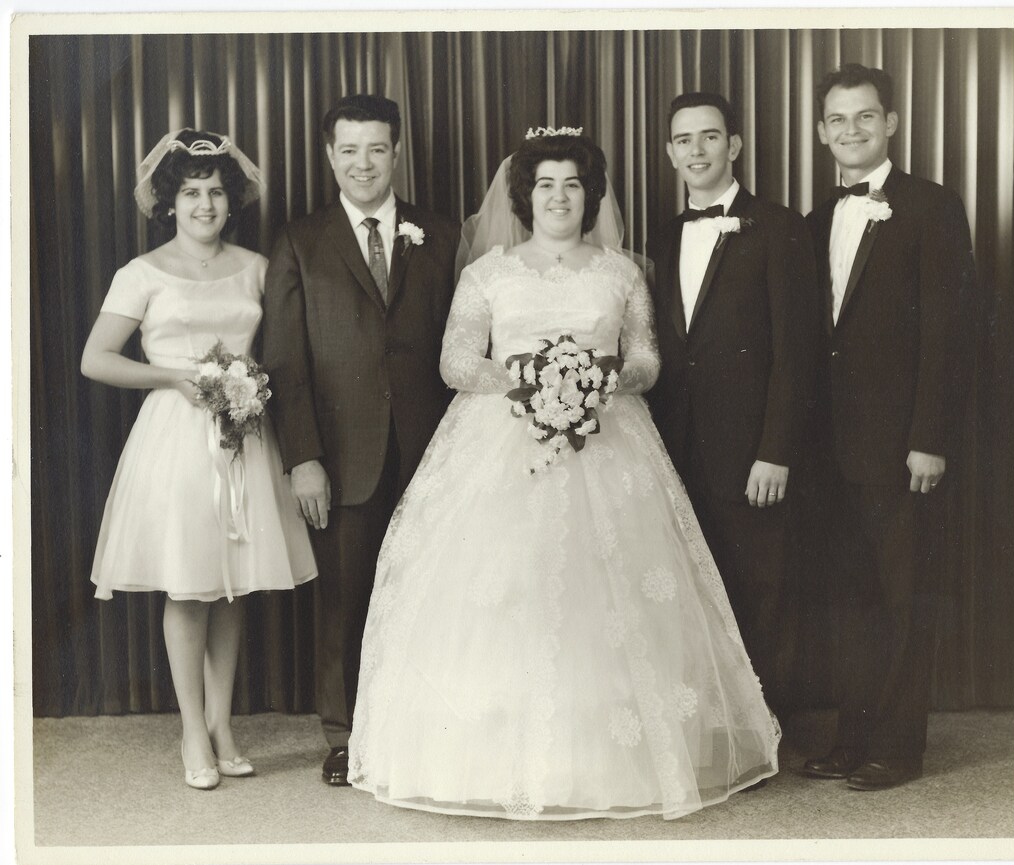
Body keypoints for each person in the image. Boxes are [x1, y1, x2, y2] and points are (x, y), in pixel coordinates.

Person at [345, 130, 779, 820]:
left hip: (609, 441)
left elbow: (647, 360)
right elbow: (456, 361)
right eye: (545, 184)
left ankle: (602, 764)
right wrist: (531, 384)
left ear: (590, 195)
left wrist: (596, 383)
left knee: (604, 598)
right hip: (498, 444)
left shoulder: (621, 273)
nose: (558, 197)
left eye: (572, 184)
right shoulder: (488, 273)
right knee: (507, 592)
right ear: (525, 196)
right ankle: (493, 763)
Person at [82, 129, 317, 791]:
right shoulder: (142, 272)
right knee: (189, 585)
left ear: (230, 200)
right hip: (177, 438)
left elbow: (282, 351)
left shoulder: (256, 267)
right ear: (169, 202)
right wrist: (175, 378)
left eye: (215, 192)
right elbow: (96, 359)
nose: (205, 205)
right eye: (191, 193)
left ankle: (222, 722)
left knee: (232, 582)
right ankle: (192, 727)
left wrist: (248, 386)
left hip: (244, 433)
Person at [260, 94, 460, 787]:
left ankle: (427, 726)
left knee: (432, 591)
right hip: (341, 456)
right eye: (349, 150)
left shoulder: (441, 235)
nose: (363, 163)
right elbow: (284, 361)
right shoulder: (299, 240)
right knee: (345, 598)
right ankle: (345, 735)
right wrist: (303, 457)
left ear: (396, 152)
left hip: (433, 451)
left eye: (376, 148)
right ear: (329, 155)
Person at [801, 64, 974, 790]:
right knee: (850, 601)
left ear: (891, 123)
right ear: (821, 132)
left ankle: (899, 749)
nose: (852, 130)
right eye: (838, 120)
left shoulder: (932, 206)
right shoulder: (816, 219)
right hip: (831, 450)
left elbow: (948, 331)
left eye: (865, 116)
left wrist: (929, 437)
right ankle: (852, 738)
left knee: (904, 595)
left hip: (903, 445)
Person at [646, 92, 817, 720]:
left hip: (751, 455)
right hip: (678, 449)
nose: (697, 150)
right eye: (684, 140)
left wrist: (776, 451)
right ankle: (716, 734)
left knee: (761, 592)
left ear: (734, 145)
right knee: (694, 595)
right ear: (670, 153)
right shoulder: (665, 235)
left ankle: (767, 734)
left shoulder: (778, 225)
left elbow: (796, 352)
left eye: (710, 136)